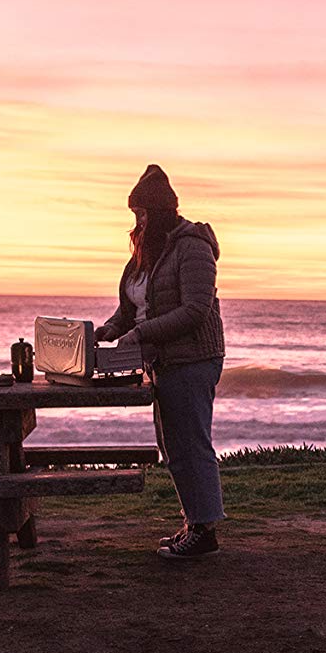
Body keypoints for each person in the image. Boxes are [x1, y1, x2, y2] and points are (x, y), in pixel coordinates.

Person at [97, 164, 227, 560]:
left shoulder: (193, 247)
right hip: (161, 362)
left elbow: (195, 310)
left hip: (193, 359)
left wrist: (141, 334)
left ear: (159, 211)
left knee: (192, 445)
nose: (137, 221)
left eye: (141, 213)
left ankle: (205, 531)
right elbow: (130, 310)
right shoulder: (144, 255)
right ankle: (194, 522)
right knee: (172, 448)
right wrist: (105, 331)